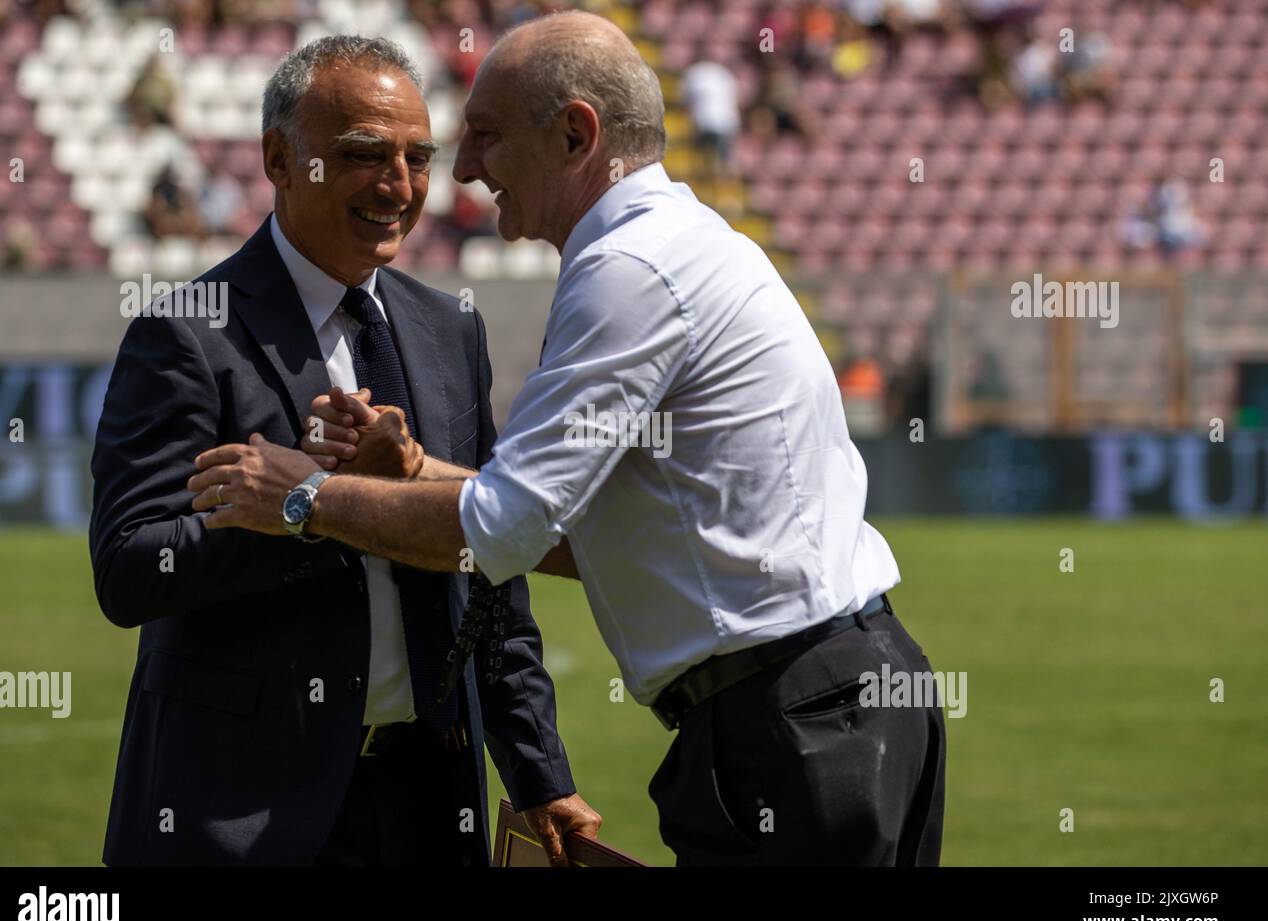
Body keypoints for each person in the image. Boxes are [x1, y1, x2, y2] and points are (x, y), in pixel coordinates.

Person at [187, 13, 946, 866]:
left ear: (576, 134)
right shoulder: (680, 242)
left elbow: (505, 530)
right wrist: (415, 470)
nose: (466, 170)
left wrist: (303, 497)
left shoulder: (628, 271)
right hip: (835, 703)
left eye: (485, 136)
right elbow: (586, 531)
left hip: (792, 723)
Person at [91, 34, 596, 866]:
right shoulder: (185, 333)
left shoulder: (447, 329)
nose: (398, 186)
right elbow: (128, 567)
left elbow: (491, 568)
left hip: (428, 806)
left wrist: (538, 769)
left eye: (417, 157)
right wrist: (311, 507)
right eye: (363, 154)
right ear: (281, 159)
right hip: (240, 814)